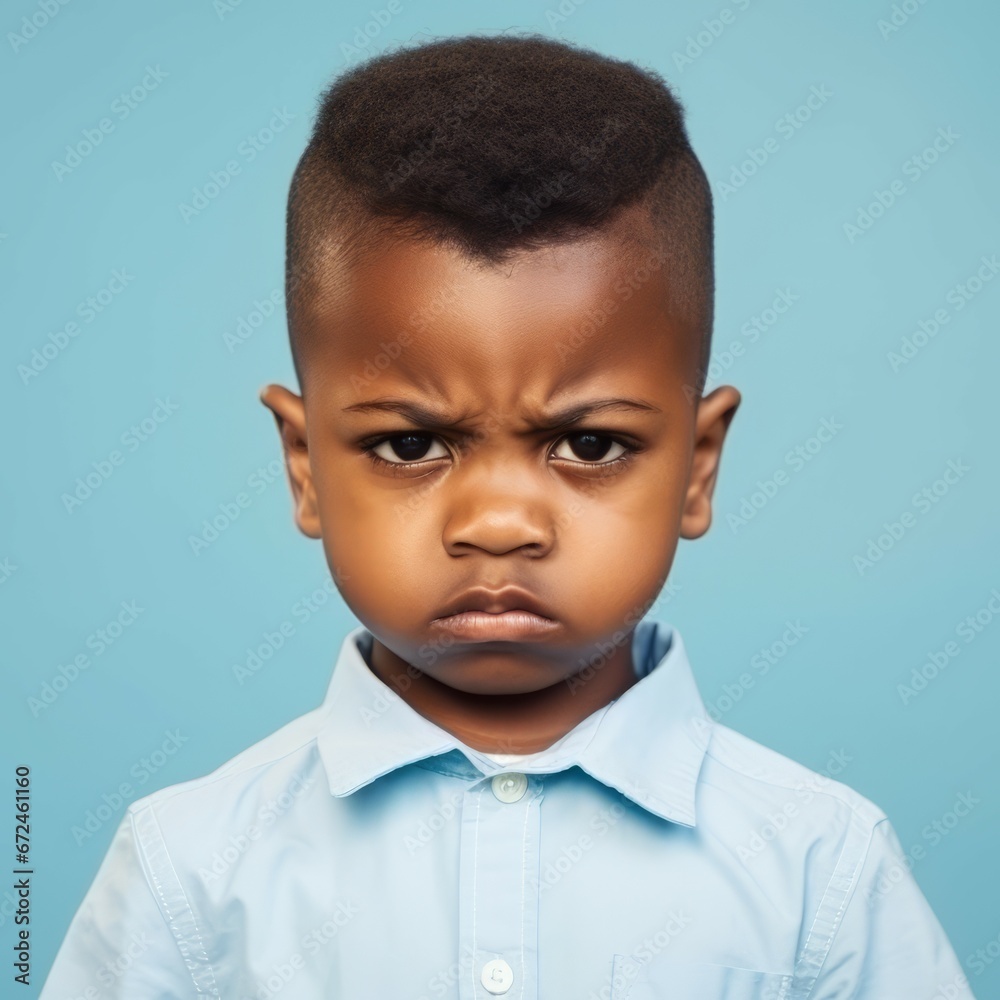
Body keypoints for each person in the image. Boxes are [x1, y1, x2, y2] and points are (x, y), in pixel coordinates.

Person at [40, 34, 975, 1000]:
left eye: (590, 445)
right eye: (411, 445)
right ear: (304, 464)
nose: (496, 523)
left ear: (698, 467)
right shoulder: (188, 872)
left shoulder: (822, 872)